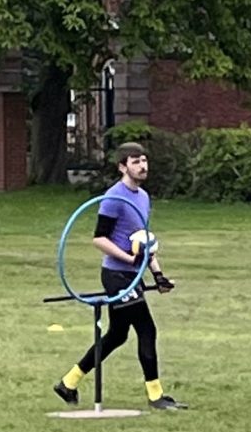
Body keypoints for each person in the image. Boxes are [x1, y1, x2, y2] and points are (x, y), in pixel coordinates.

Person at [54, 143, 183, 411]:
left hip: (133, 274)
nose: (143, 166)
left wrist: (158, 274)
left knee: (117, 335)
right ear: (123, 167)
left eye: (145, 160)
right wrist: (128, 259)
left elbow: (144, 241)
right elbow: (99, 239)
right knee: (147, 329)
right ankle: (156, 396)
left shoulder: (144, 198)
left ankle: (68, 382)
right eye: (136, 161)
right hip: (116, 276)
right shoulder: (114, 197)